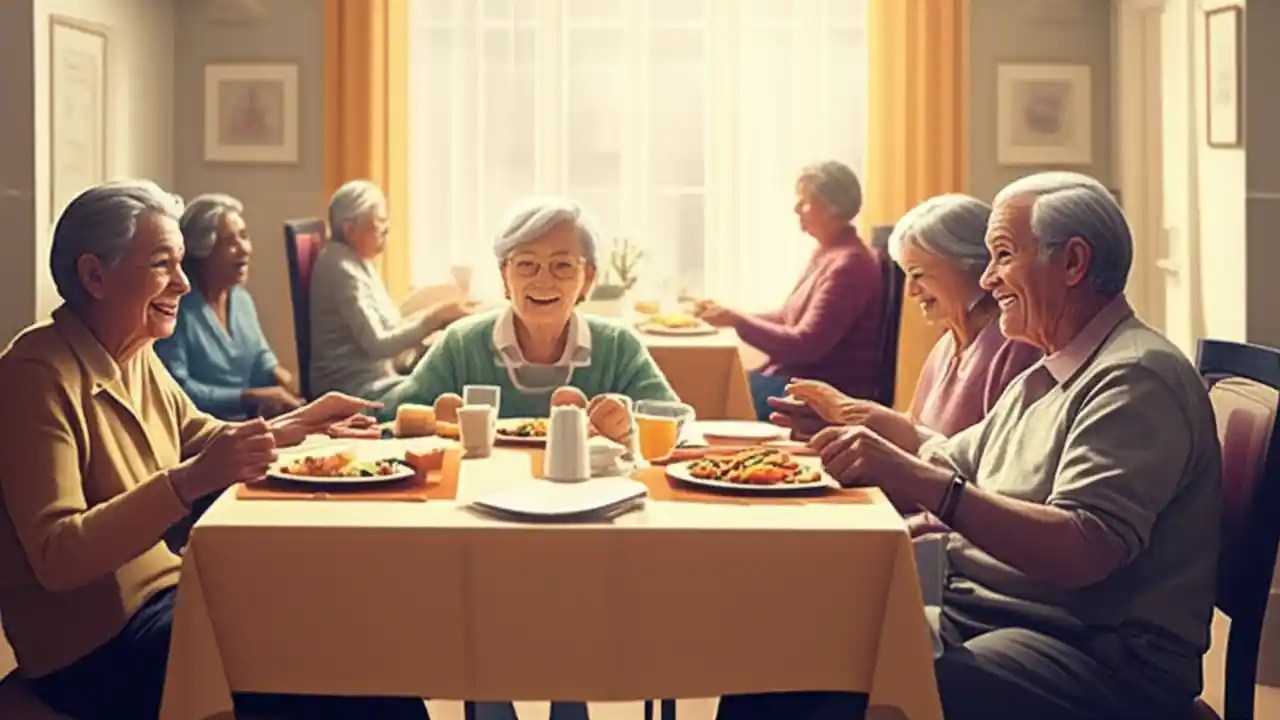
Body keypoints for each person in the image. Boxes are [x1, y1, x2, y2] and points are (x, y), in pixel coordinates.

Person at [718, 172, 1222, 720]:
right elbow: (950, 459)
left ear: (1073, 263)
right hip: (996, 615)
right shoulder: (1050, 372)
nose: (987, 278)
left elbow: (1085, 547)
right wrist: (855, 443)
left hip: (1096, 656)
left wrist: (918, 479)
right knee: (784, 636)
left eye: (1003, 255)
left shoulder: (1135, 377)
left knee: (878, 673)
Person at [0, 180, 429, 719]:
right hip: (91, 651)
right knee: (314, 664)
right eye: (163, 264)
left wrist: (301, 427)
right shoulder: (35, 374)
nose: (183, 283)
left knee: (348, 634)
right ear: (94, 275)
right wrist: (187, 482)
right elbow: (57, 556)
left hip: (169, 596)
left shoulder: (132, 353)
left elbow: (199, 435)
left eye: (181, 263)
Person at [380, 197, 679, 447]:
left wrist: (629, 427)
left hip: (592, 497)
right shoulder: (461, 345)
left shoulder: (617, 347)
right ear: (504, 276)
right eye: (526, 264)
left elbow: (675, 422)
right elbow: (389, 419)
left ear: (588, 278)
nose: (543, 280)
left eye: (562, 265)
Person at [769, 194, 1040, 451]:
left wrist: (853, 414)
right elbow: (915, 430)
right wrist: (837, 423)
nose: (910, 291)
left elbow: (985, 463)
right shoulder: (948, 344)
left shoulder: (1016, 347)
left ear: (970, 265)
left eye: (918, 274)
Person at [693, 161, 885, 420]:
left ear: (833, 207)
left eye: (805, 201)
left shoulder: (850, 264)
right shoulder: (829, 254)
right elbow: (787, 318)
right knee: (708, 385)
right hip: (796, 382)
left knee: (706, 392)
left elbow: (806, 346)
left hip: (818, 393)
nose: (796, 208)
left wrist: (737, 321)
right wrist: (728, 315)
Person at [310, 179, 473, 398]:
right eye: (380, 221)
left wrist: (440, 315)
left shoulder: (357, 262)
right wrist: (432, 320)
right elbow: (378, 345)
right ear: (350, 229)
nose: (386, 229)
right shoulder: (342, 270)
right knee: (451, 385)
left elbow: (390, 326)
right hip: (354, 389)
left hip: (378, 379)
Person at [154, 193, 302, 419]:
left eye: (244, 236)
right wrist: (248, 397)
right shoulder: (176, 309)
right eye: (229, 242)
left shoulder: (241, 300)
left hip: (251, 424)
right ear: (201, 250)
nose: (245, 249)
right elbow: (177, 389)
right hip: (203, 429)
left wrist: (289, 383)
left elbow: (260, 358)